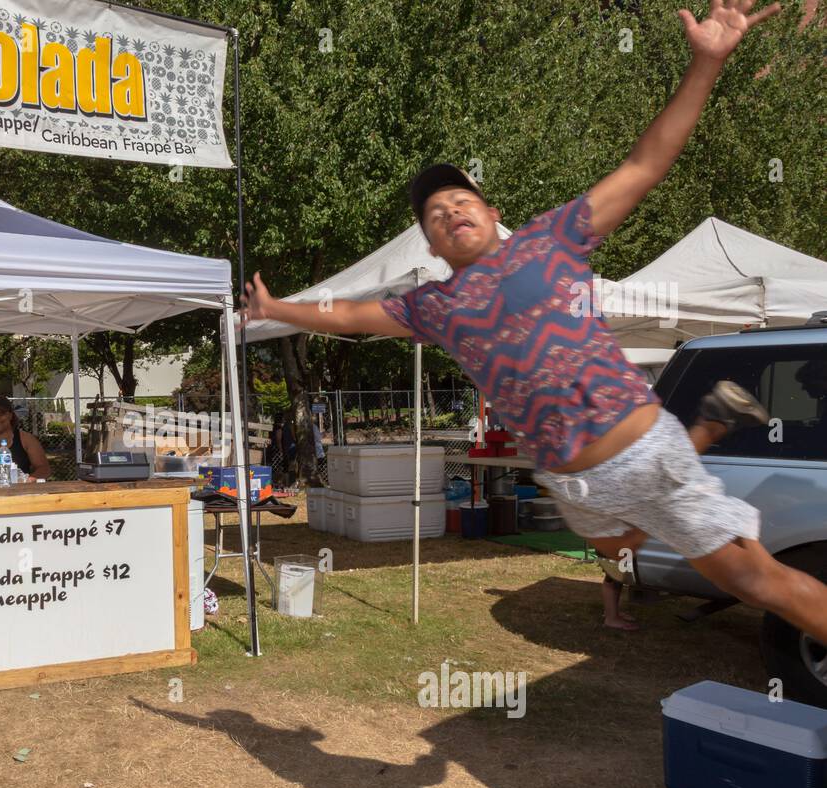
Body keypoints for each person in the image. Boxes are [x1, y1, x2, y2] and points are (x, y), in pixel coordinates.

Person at [243, 1, 827, 646]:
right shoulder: (433, 307)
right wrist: (277, 310)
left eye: (461, 201)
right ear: (431, 248)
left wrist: (705, 63)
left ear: (493, 213)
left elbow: (643, 166)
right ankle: (711, 424)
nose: (450, 213)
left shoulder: (552, 241)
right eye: (435, 215)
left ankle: (703, 435)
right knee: (617, 542)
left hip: (639, 449)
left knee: (754, 581)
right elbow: (349, 314)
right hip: (567, 480)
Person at [0, 396, 51, 480]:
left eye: (1, 413)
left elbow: (44, 469)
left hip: (21, 491)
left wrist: (27, 482)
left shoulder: (26, 439)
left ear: (10, 415)